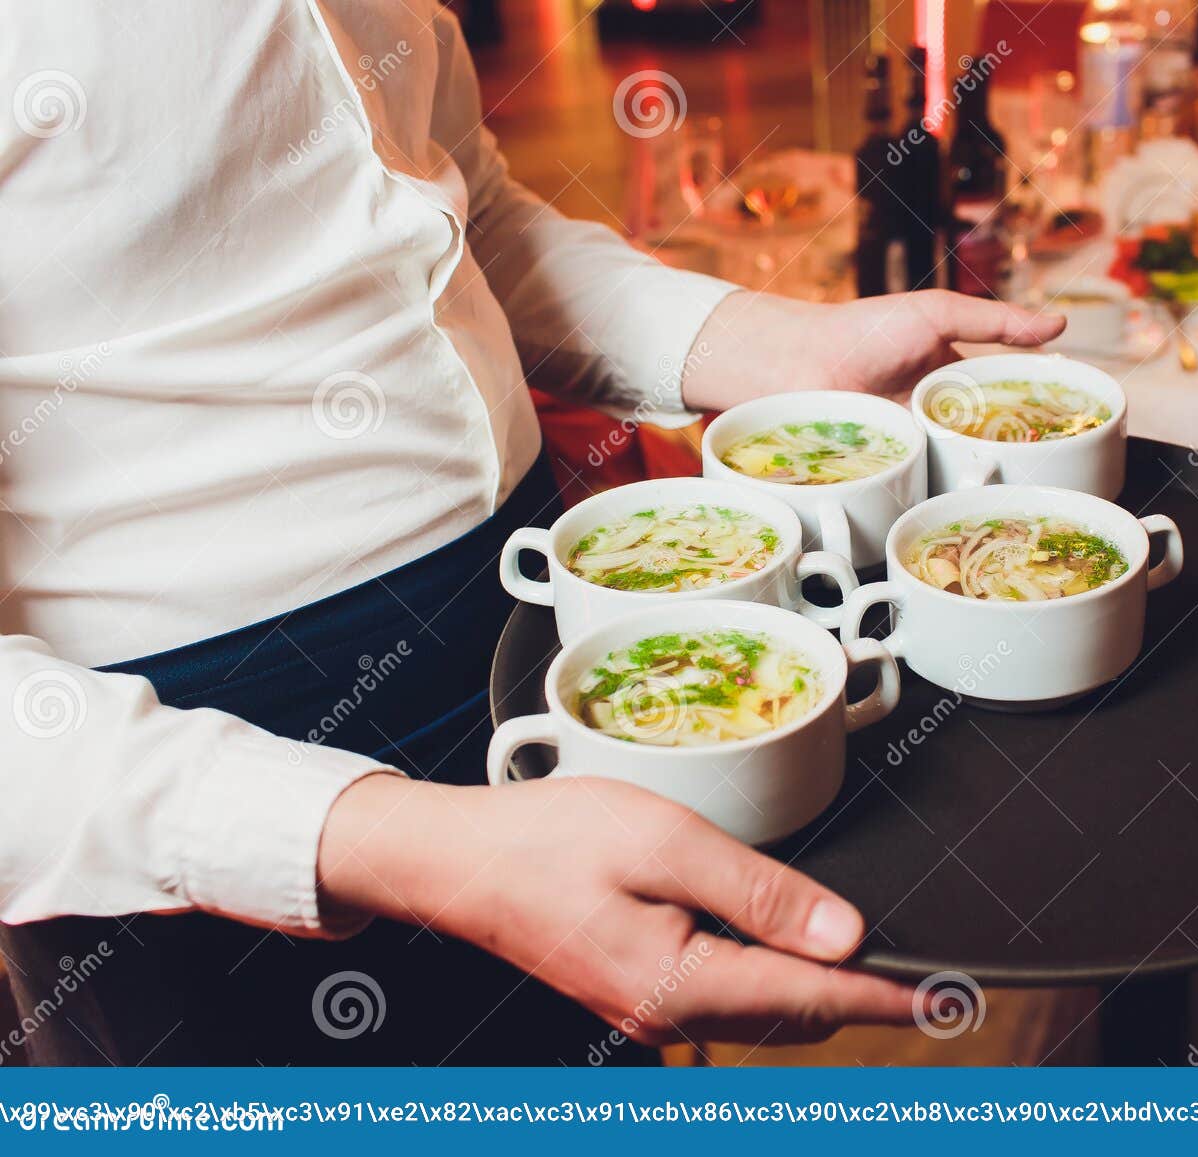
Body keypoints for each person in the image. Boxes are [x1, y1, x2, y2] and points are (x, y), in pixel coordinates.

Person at [0, 1, 1064, 1065]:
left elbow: (456, 218)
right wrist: (409, 844)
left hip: (534, 632)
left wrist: (775, 346)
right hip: (194, 779)